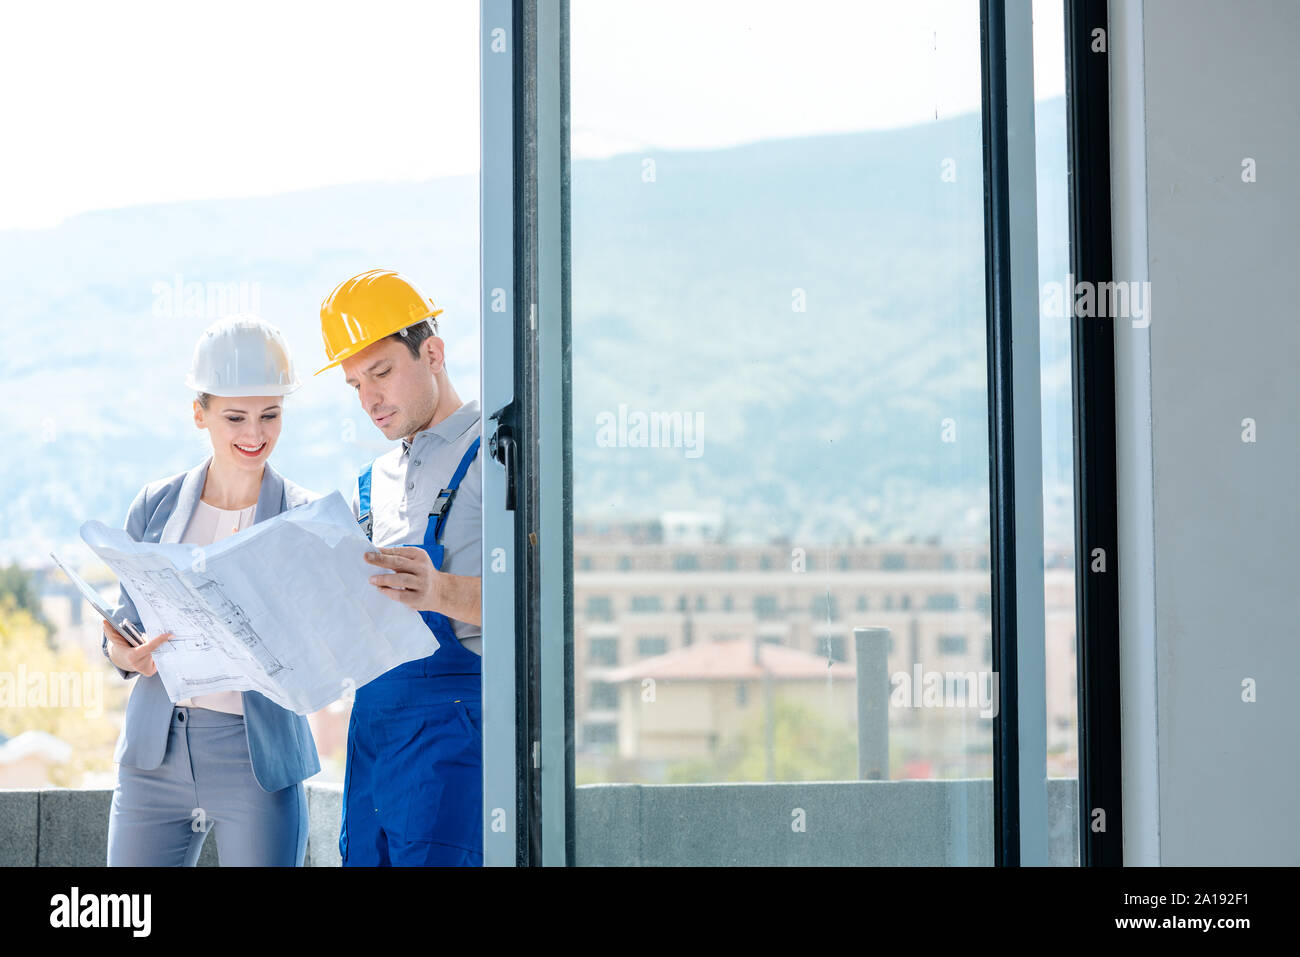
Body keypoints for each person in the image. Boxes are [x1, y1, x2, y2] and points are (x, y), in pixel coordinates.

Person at [101, 315, 321, 866]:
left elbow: (322, 648)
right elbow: (124, 630)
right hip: (155, 750)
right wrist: (122, 653)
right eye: (235, 417)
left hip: (256, 756)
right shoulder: (154, 504)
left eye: (270, 415)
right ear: (199, 413)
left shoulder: (303, 517)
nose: (255, 434)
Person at [315, 268, 483, 867]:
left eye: (381, 373)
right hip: (373, 737)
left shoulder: (499, 455)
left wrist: (440, 590)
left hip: (453, 737)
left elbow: (534, 606)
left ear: (433, 353)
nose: (370, 400)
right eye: (355, 384)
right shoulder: (370, 487)